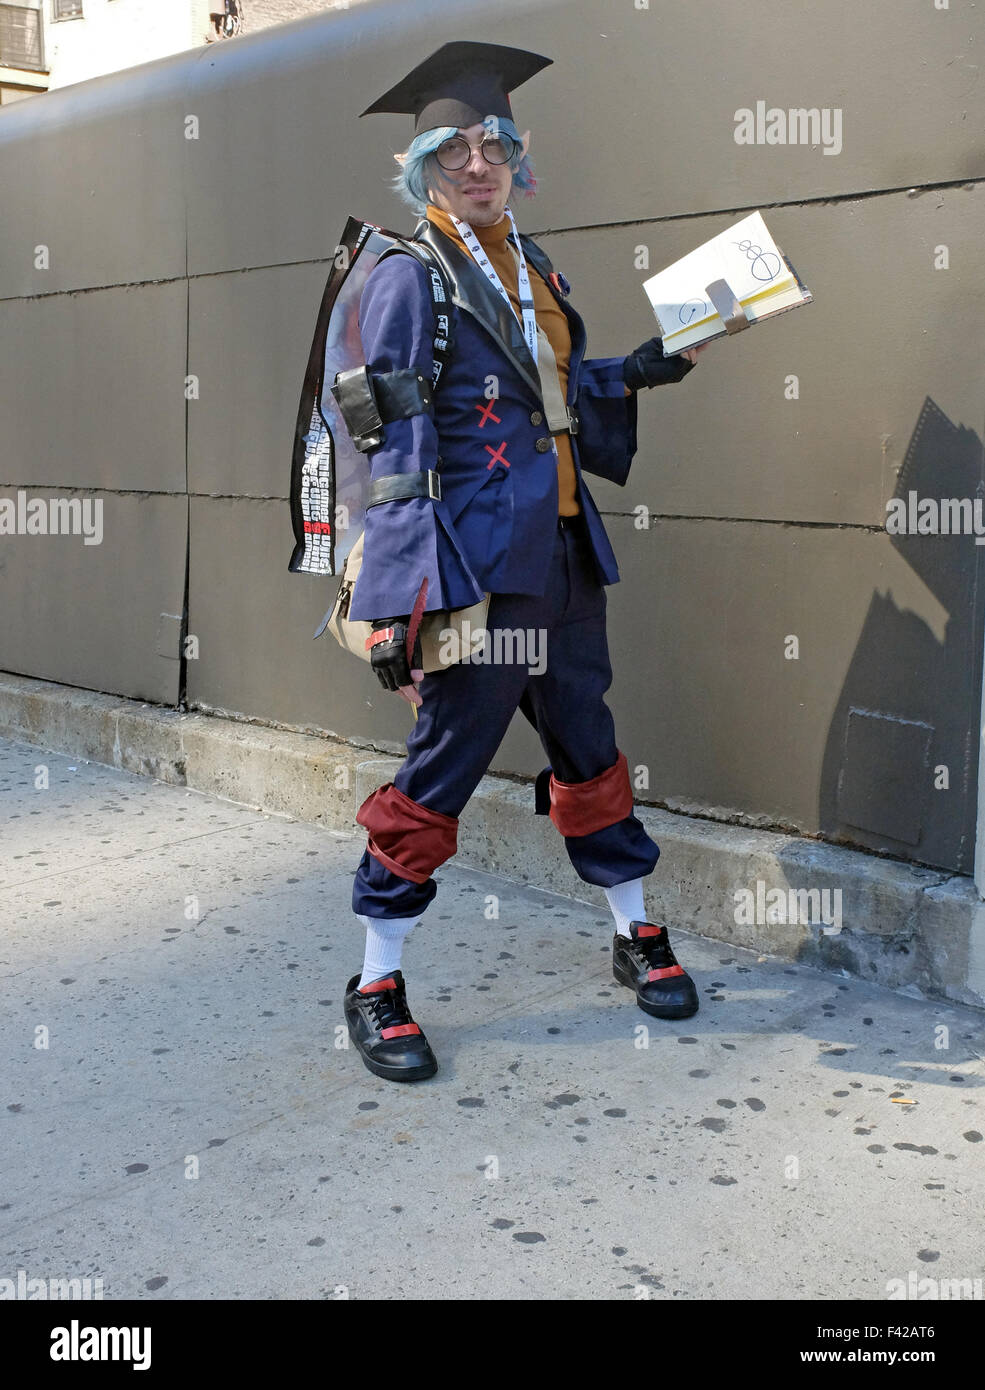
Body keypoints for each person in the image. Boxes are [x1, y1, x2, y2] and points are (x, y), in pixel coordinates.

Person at [341, 41, 711, 1082]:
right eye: (452, 148)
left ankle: (632, 928)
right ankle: (376, 979)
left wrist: (635, 369)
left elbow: (541, 393)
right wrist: (398, 598)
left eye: (494, 143)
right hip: (475, 570)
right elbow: (391, 447)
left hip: (561, 550)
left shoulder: (530, 262)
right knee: (441, 771)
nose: (476, 162)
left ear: (517, 155)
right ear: (420, 166)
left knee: (588, 742)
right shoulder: (407, 277)